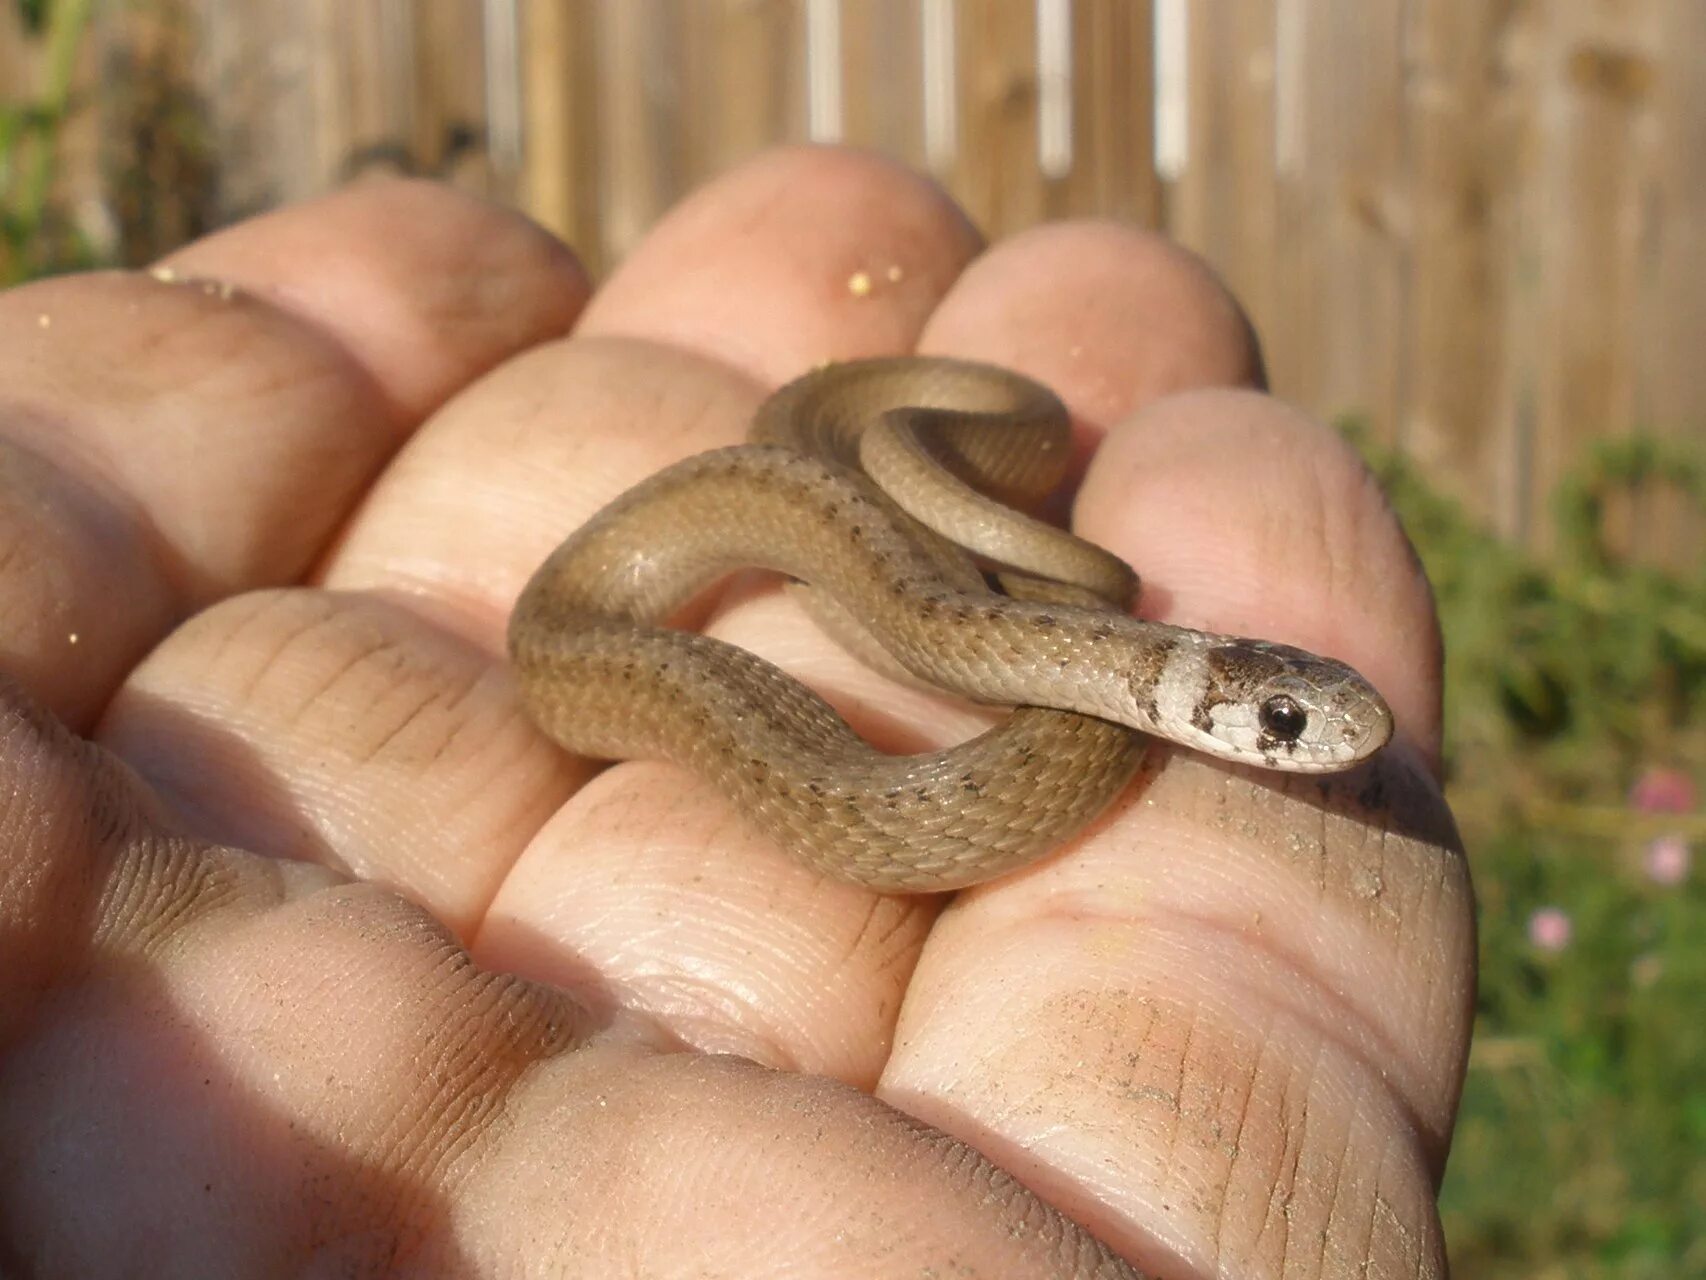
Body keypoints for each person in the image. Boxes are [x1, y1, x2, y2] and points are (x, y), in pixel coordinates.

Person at [0, 146, 1470, 1277]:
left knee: (881, 549)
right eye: (1276, 724)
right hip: (775, 601)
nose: (1302, 744)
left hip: (1011, 607)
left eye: (1278, 726)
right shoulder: (1028, 624)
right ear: (1212, 691)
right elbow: (911, 612)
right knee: (823, 536)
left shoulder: (1082, 681)